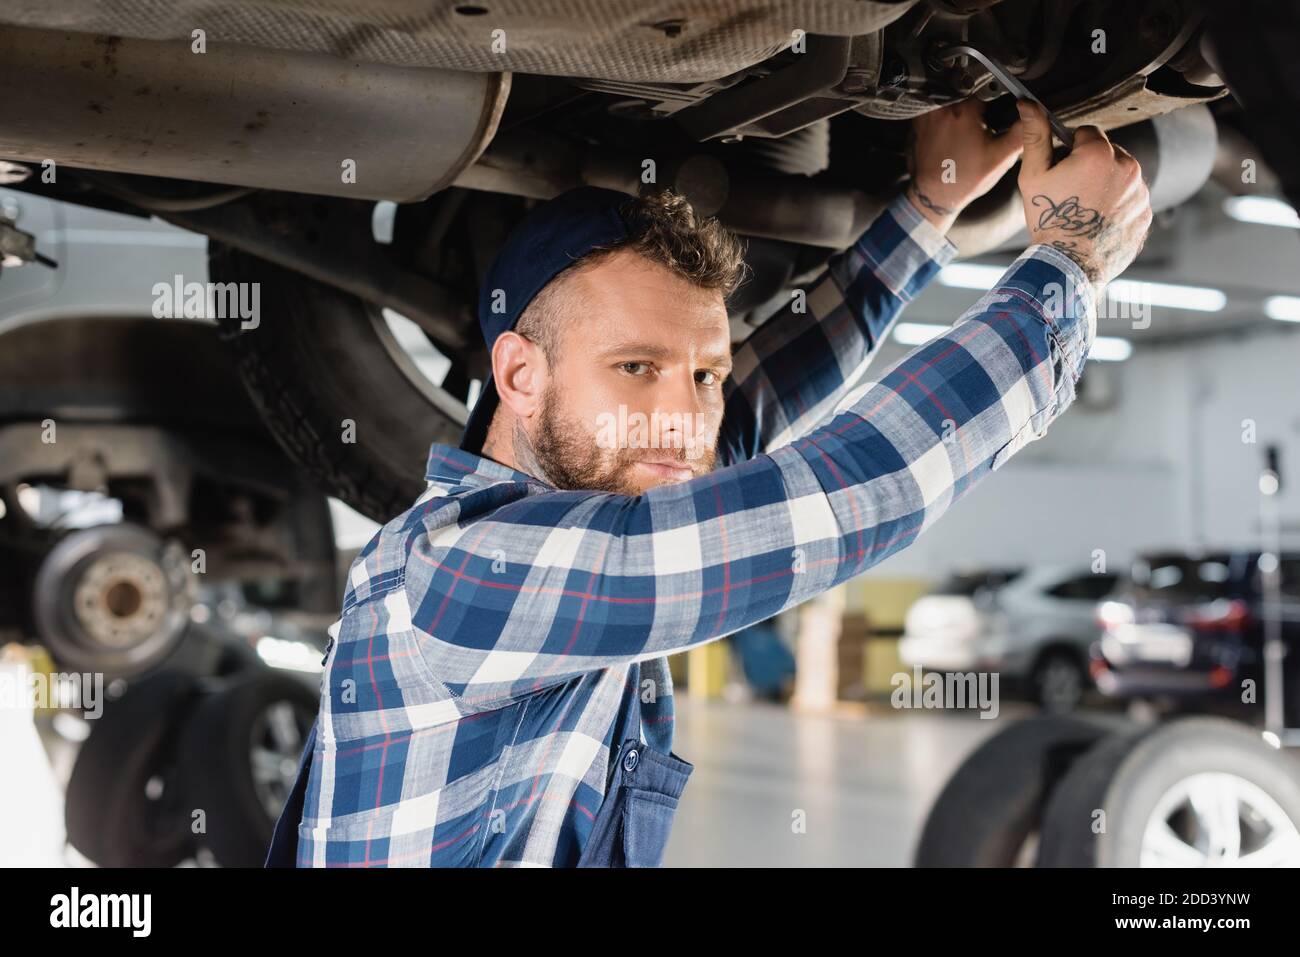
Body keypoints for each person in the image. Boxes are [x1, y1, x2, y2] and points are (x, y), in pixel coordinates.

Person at [270, 99, 1151, 867]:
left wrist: (929, 209)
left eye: (702, 374)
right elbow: (857, 489)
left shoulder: (596, 495)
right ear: (520, 374)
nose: (685, 418)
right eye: (636, 365)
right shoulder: (462, 576)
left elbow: (761, 403)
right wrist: (1064, 268)